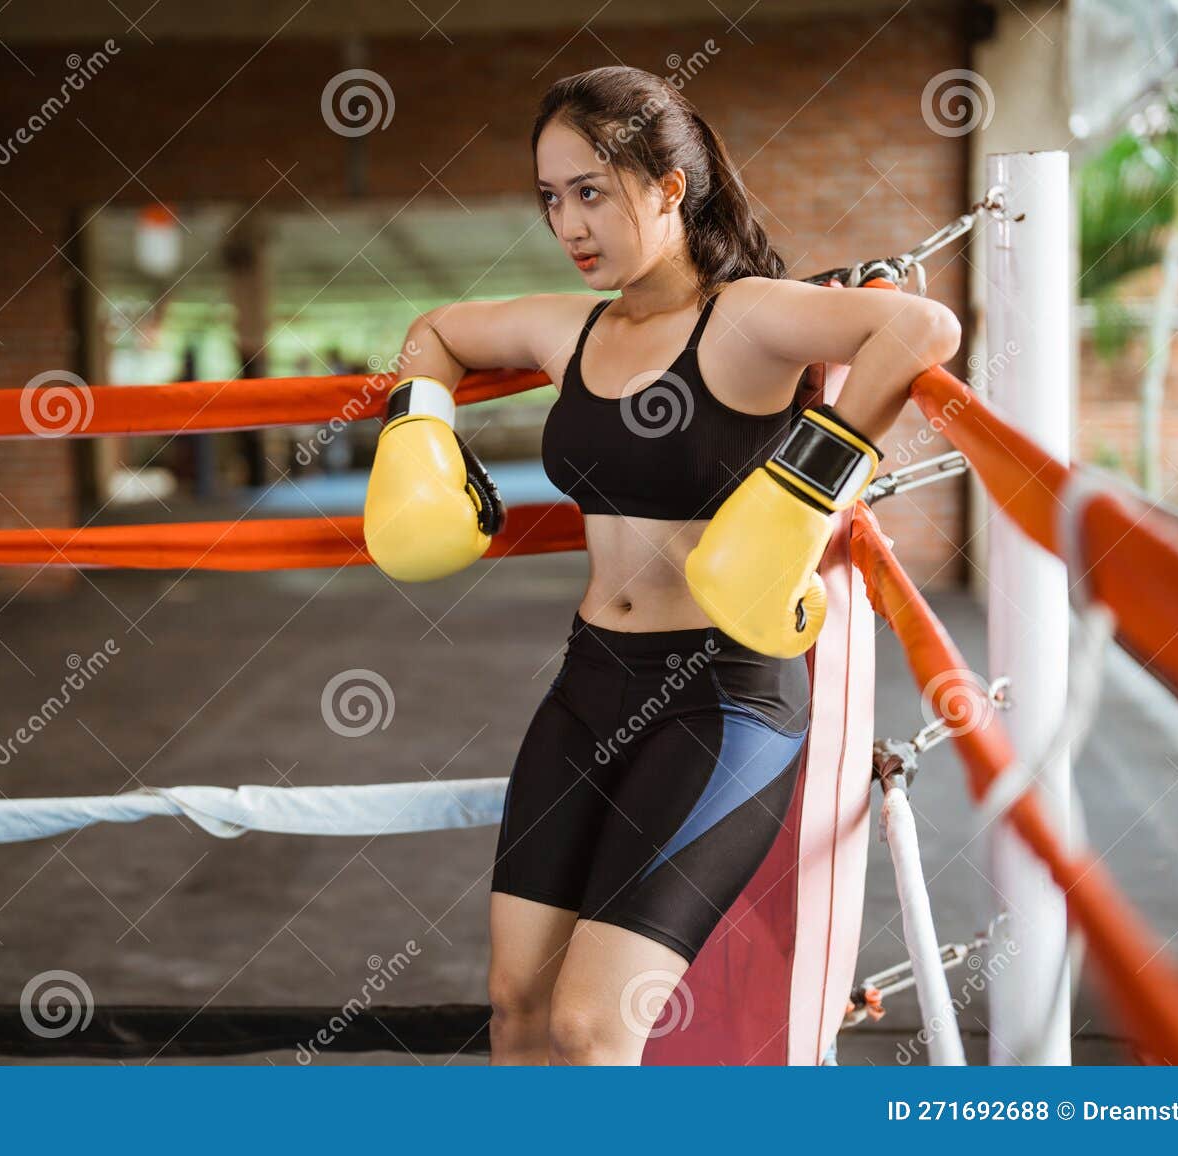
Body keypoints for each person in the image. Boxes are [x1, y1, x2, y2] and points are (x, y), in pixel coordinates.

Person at [361, 65, 960, 1064]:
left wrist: (805, 491)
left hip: (721, 698)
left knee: (594, 1025)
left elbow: (918, 327)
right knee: (516, 1005)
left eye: (590, 192)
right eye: (551, 198)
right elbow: (436, 333)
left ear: (669, 187)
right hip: (591, 676)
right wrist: (419, 434)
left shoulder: (749, 316)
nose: (569, 223)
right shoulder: (572, 328)